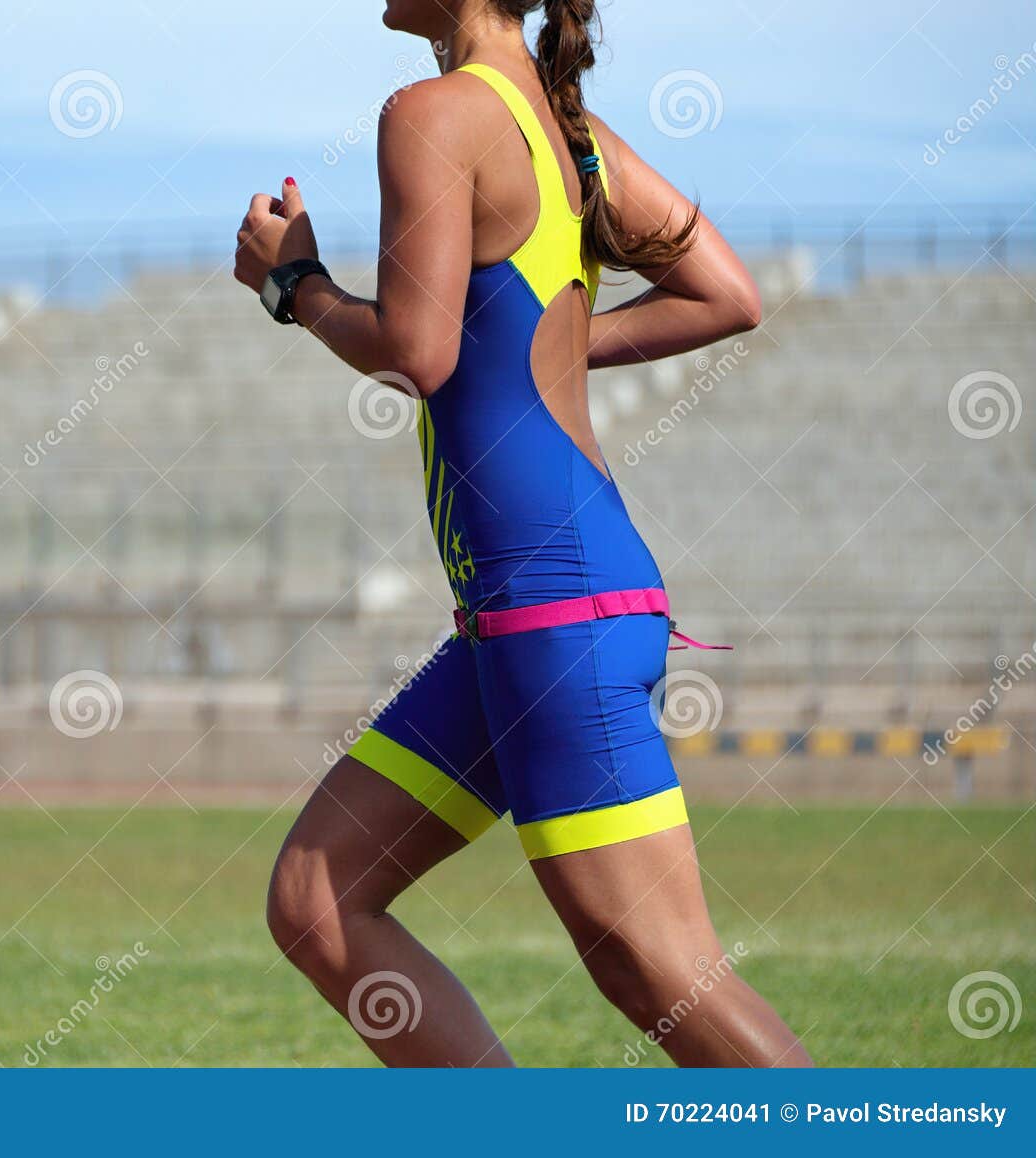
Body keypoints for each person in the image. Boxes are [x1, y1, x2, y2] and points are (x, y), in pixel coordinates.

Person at [233, 0, 812, 1067]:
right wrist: (548, 344)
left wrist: (294, 286)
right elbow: (728, 296)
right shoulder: (562, 124)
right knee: (319, 901)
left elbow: (417, 351)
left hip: (557, 615)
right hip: (530, 615)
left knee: (657, 969)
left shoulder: (433, 111)